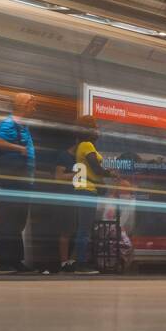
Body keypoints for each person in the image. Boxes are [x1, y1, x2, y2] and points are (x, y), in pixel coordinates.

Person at [0, 92, 38, 273]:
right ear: (22, 105)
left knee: (18, 222)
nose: (35, 107)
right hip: (12, 181)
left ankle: (15, 260)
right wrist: (20, 148)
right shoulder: (9, 123)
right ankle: (3, 261)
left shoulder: (22, 125)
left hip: (23, 181)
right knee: (8, 220)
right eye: (32, 104)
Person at [62, 116, 105, 275]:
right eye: (95, 127)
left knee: (83, 228)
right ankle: (81, 263)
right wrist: (110, 174)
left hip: (85, 189)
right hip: (86, 190)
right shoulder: (87, 145)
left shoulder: (82, 146)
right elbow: (96, 168)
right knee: (84, 229)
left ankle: (79, 261)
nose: (98, 130)